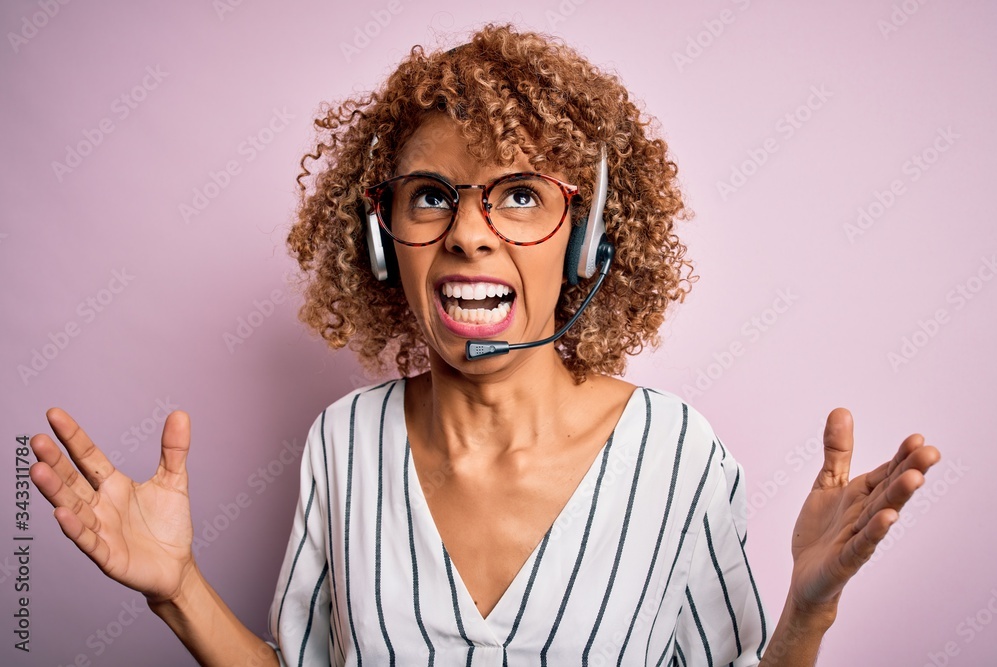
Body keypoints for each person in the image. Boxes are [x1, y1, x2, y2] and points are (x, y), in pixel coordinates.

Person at [29, 24, 940, 667]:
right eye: (431, 195)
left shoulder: (679, 455)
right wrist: (175, 586)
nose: (467, 232)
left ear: (585, 241)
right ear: (384, 239)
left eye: (517, 195)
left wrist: (809, 612)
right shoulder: (344, 444)